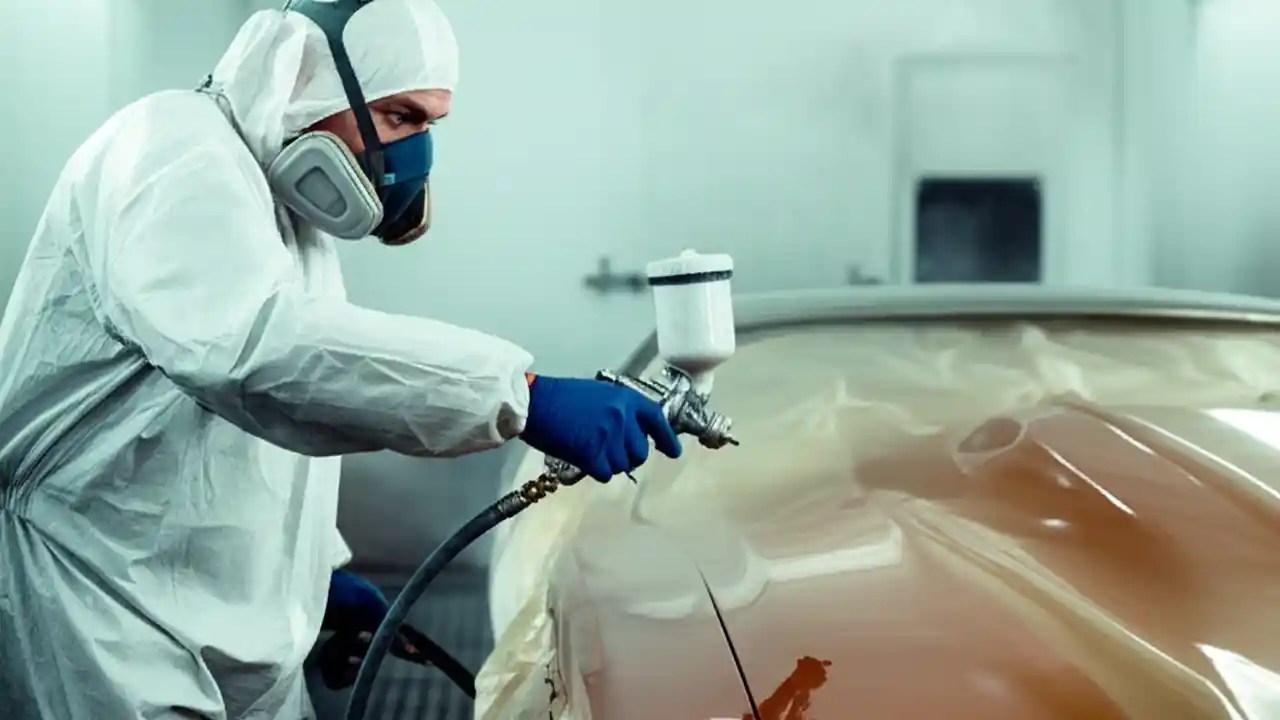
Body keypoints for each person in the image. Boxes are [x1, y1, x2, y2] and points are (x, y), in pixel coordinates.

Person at [0, 0, 682, 717]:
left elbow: (272, 423)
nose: (416, 155)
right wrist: (522, 394)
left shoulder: (287, 220)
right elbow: (259, 351)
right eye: (401, 117)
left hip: (212, 616)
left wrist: (311, 575)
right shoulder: (170, 148)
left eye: (430, 125)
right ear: (303, 80)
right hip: (97, 606)